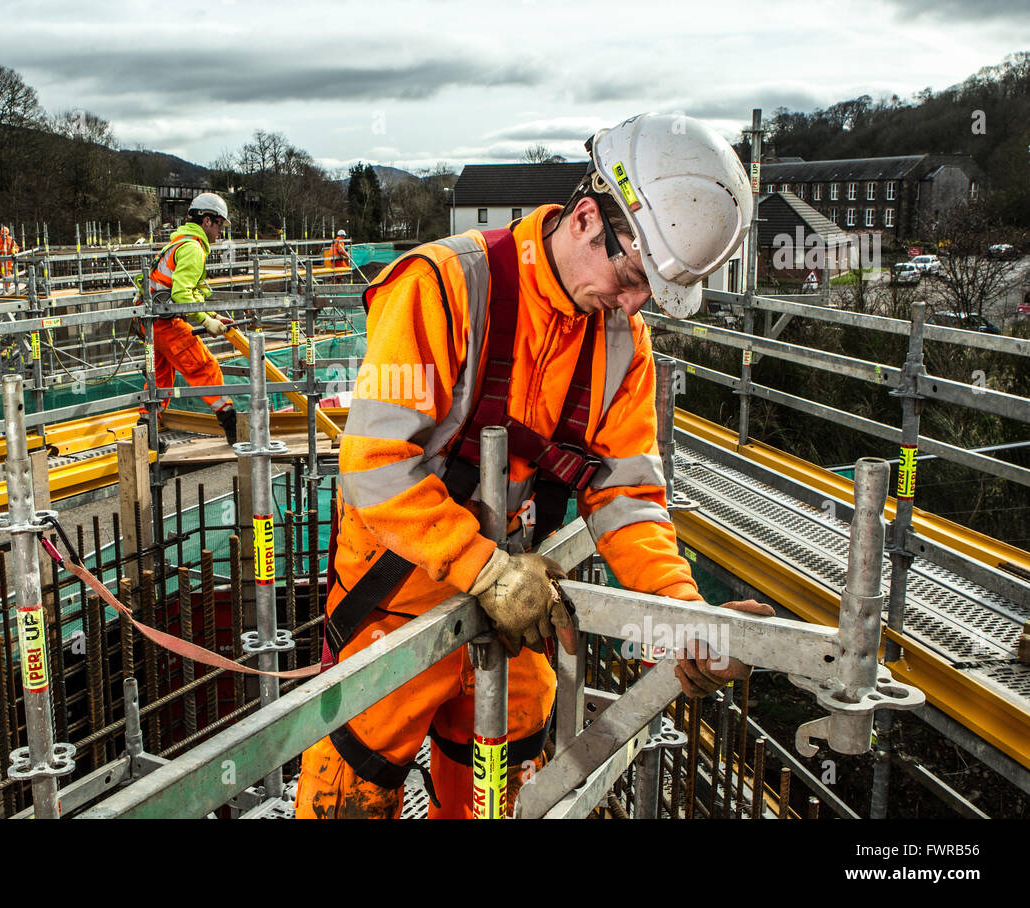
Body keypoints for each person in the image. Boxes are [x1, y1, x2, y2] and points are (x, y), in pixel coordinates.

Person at [295, 113, 775, 819]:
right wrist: (479, 568)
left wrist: (680, 616)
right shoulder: (443, 285)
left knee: (503, 782)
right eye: (633, 276)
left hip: (512, 606)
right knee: (352, 792)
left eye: (651, 293)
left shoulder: (621, 344)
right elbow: (376, 468)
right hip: (399, 599)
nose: (634, 305)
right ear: (586, 218)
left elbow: (628, 498)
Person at [144, 192, 237, 444]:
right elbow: (182, 292)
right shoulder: (193, 249)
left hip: (151, 322)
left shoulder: (178, 244)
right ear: (207, 221)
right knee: (204, 366)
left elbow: (188, 291)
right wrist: (206, 322)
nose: (220, 232)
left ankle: (145, 429)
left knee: (161, 376)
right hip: (164, 322)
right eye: (219, 224)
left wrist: (212, 315)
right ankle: (229, 419)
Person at [0, 225, 18, 291]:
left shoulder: (10, 239)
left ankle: (7, 286)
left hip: (8, 258)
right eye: (3, 234)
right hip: (0, 258)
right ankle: (5, 284)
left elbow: (16, 247)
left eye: (5, 235)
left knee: (8, 272)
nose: (4, 236)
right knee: (2, 272)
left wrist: (14, 251)